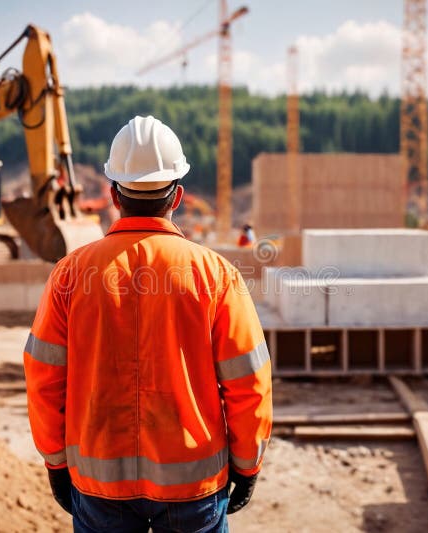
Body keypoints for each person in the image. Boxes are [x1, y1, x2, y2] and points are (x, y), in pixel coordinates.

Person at [24, 115, 272, 532]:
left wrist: (55, 460)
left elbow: (44, 377)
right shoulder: (216, 275)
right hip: (194, 488)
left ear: (113, 194)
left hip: (99, 486)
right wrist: (247, 465)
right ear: (177, 196)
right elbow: (248, 380)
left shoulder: (70, 274)